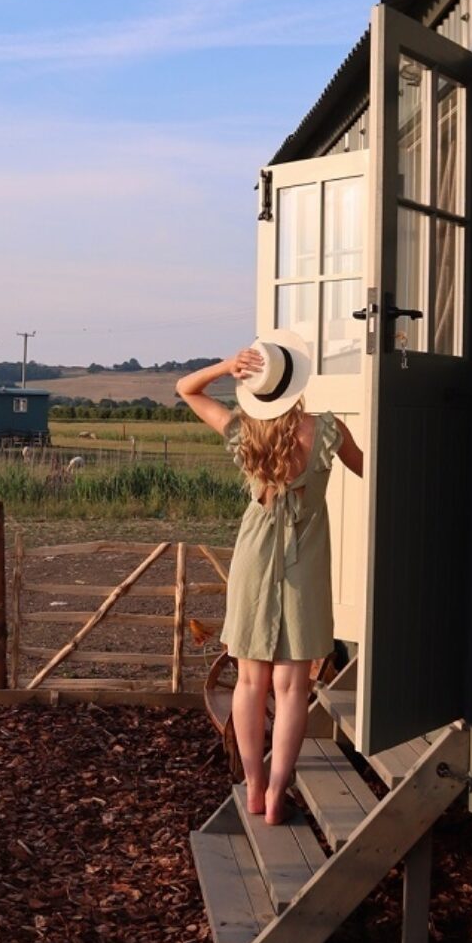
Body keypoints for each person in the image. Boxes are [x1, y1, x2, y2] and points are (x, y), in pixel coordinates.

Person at [175, 331, 363, 825]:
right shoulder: (328, 430)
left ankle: (253, 783)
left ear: (255, 390)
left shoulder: (241, 431)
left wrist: (225, 365)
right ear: (295, 383)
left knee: (249, 682)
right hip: (305, 561)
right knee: (292, 687)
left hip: (254, 560)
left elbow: (185, 388)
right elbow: (378, 472)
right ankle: (280, 791)